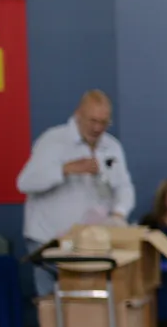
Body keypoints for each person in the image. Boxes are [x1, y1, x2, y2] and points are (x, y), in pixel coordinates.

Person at [16, 91, 135, 297]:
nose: (98, 128)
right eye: (93, 121)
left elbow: (124, 187)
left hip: (89, 247)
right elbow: (25, 183)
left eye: (104, 122)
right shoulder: (53, 141)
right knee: (52, 308)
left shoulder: (112, 146)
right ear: (78, 114)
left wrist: (119, 213)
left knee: (87, 310)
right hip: (49, 239)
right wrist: (65, 169)